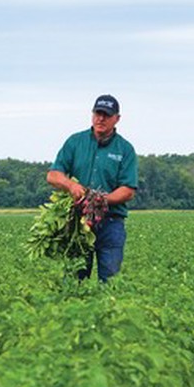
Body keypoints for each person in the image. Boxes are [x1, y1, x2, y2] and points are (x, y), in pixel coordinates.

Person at [46, 94, 138, 282]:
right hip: (78, 221)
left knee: (110, 281)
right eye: (98, 113)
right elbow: (53, 175)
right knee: (74, 280)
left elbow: (128, 189)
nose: (101, 118)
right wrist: (71, 185)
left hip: (111, 222)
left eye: (106, 114)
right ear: (92, 114)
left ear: (117, 119)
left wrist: (102, 199)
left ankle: (107, 310)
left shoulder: (125, 149)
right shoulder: (75, 142)